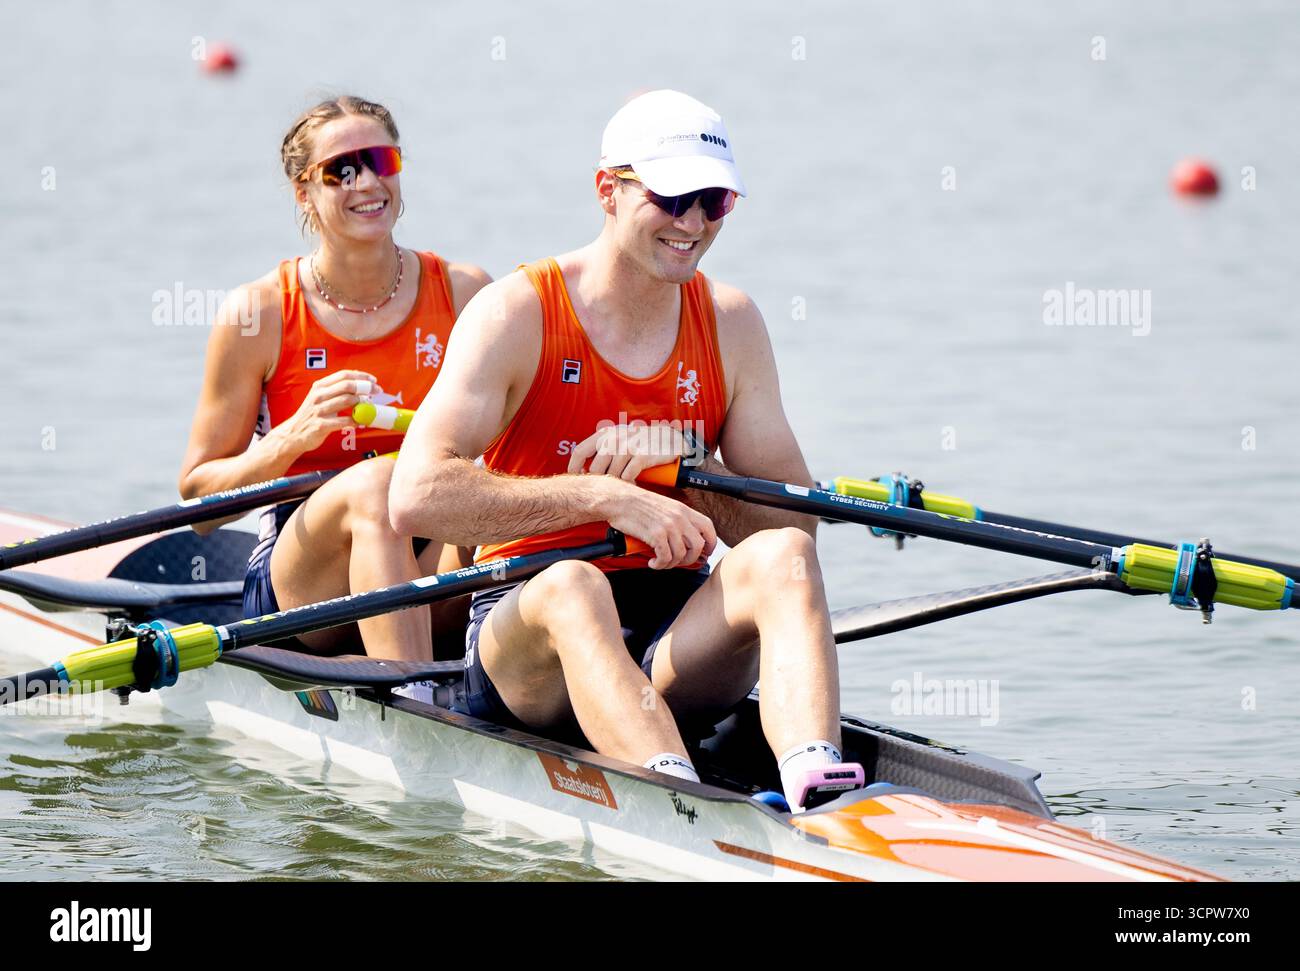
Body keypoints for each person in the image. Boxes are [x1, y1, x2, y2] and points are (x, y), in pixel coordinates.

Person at [389, 90, 862, 811]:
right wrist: (603, 495)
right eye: (673, 197)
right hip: (531, 629)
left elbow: (794, 525)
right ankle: (674, 800)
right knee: (575, 586)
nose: (694, 223)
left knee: (786, 561)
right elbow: (415, 495)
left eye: (714, 201)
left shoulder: (731, 323)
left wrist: (694, 476)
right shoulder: (517, 313)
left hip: (674, 636)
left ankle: (817, 779)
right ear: (608, 190)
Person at [178, 95, 490, 667]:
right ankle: (414, 690)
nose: (367, 182)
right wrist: (290, 438)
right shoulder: (259, 314)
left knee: (497, 483)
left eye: (381, 161)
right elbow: (200, 506)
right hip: (306, 589)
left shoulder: (467, 293)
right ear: (304, 192)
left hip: (436, 558)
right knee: (374, 485)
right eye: (341, 170)